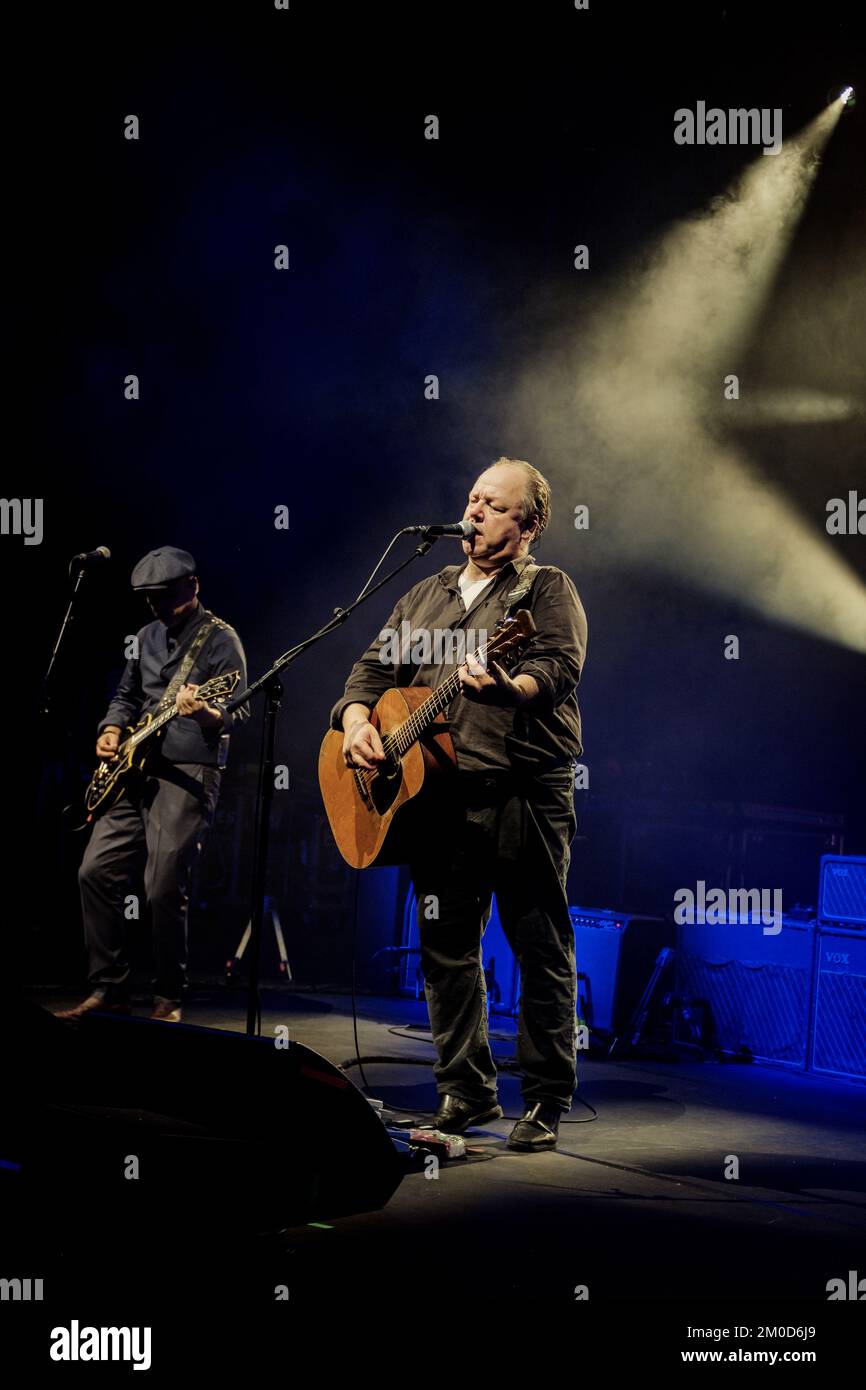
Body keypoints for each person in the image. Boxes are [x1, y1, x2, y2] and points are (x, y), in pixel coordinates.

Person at [331, 458, 588, 1150]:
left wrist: (511, 690)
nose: (472, 511)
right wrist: (357, 723)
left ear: (527, 525)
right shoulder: (426, 595)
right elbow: (370, 672)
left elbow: (557, 670)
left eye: (493, 504)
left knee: (539, 943)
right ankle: (466, 1091)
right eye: (472, 498)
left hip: (522, 791)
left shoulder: (545, 589)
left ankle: (543, 1101)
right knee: (446, 949)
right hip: (439, 800)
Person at [55, 546, 248, 1024]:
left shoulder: (221, 639)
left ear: (193, 587)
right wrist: (110, 729)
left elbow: (237, 707)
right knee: (93, 872)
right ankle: (109, 987)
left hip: (185, 771)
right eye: (150, 600)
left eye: (165, 598)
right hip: (132, 770)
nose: (157, 608)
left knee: (161, 887)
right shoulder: (145, 636)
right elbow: (125, 695)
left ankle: (168, 997)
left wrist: (203, 711)